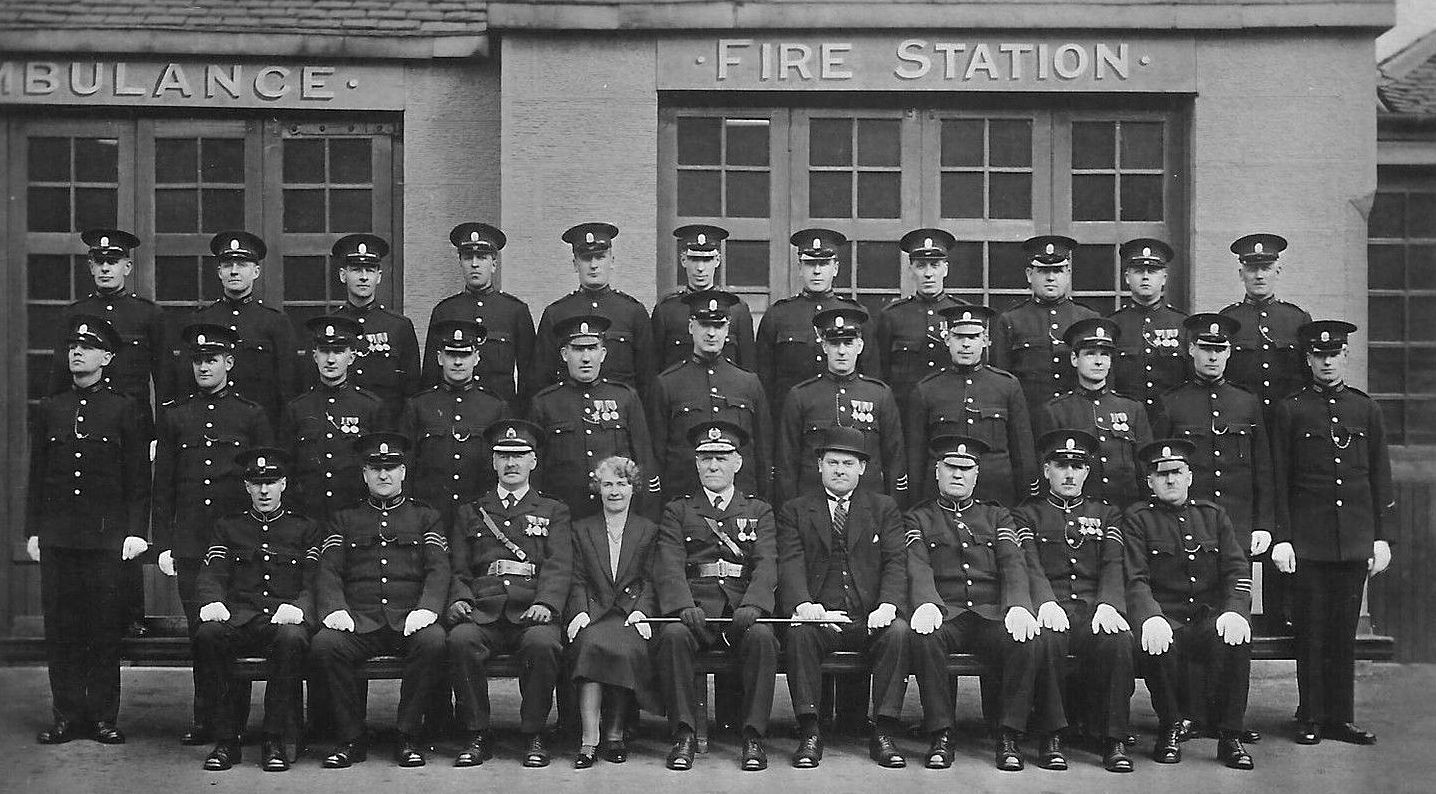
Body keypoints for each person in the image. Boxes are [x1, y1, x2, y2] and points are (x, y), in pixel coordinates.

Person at [26, 316, 150, 746]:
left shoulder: (124, 409)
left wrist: (135, 531)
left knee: (101, 629)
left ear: (107, 357)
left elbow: (137, 479)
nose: (77, 353)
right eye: (72, 347)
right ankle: (65, 715)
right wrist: (33, 531)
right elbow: (37, 476)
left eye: (88, 347)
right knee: (61, 628)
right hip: (59, 537)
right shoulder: (51, 408)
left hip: (105, 539)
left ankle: (101, 717)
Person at [1271, 320, 1394, 746]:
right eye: (1318, 356)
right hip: (1308, 541)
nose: (1326, 362)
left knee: (1343, 634)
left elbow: (1379, 475)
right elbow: (1279, 479)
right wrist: (1283, 537)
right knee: (1311, 631)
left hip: (1354, 540)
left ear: (1345, 357)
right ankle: (1309, 715)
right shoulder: (1290, 409)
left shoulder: (1365, 409)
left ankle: (1340, 718)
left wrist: (1381, 537)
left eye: (1333, 355)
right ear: (1307, 359)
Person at [152, 323, 273, 745]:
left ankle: (234, 721)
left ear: (229, 363)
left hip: (236, 545)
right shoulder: (174, 414)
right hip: (190, 542)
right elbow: (163, 483)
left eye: (212, 360)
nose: (204, 367)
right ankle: (207, 718)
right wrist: (163, 542)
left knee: (234, 629)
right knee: (200, 635)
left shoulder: (251, 414)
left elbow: (264, 479)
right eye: (198, 360)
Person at [52, 229, 172, 635]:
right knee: (91, 506)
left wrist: (159, 431)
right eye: (98, 261)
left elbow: (165, 377)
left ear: (127, 266)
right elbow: (58, 378)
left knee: (130, 512)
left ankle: (130, 615)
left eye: (113, 261)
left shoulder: (148, 314)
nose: (105, 267)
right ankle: (90, 614)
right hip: (88, 428)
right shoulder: (74, 313)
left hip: (133, 427)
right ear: (91, 266)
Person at [905, 435, 1050, 772]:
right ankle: (940, 732)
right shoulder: (918, 517)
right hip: (947, 611)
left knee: (1025, 639)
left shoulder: (997, 516)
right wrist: (926, 602)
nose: (958, 474)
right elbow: (917, 563)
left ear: (976, 475)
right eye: (951, 467)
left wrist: (1017, 605)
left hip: (989, 612)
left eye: (966, 468)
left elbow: (1013, 561)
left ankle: (1008, 734)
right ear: (937, 472)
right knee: (924, 639)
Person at [311, 432, 450, 769]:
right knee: (326, 644)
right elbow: (328, 570)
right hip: (361, 621)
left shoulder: (425, 517)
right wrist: (335, 609)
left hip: (409, 619)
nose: (384, 475)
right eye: (375, 469)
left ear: (403, 472)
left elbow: (438, 568)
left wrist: (428, 608)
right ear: (364, 474)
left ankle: (407, 735)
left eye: (391, 468)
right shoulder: (344, 519)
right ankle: (351, 738)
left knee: (434, 641)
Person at [777, 427, 910, 769]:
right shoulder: (795, 510)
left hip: (868, 616)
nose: (839, 470)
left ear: (862, 468)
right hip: (820, 615)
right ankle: (810, 730)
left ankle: (884, 731)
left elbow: (896, 560)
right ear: (819, 465)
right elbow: (790, 562)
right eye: (832, 462)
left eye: (848, 463)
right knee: (799, 631)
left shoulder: (884, 508)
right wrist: (805, 606)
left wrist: (888, 605)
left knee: (897, 633)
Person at [652, 420, 780, 772]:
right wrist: (682, 606)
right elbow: (669, 564)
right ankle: (683, 733)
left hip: (741, 609)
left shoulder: (758, 511)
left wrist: (753, 604)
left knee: (764, 639)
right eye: (706, 457)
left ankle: (753, 736)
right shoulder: (678, 511)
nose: (713, 465)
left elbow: (766, 564)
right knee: (673, 637)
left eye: (722, 457)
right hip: (695, 608)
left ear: (738, 462)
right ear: (695, 463)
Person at [446, 419, 573, 768]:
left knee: (543, 644)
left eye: (520, 455)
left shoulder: (553, 510)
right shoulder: (471, 511)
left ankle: (534, 733)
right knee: (461, 640)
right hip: (484, 608)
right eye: (503, 455)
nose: (511, 462)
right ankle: (477, 733)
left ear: (534, 461)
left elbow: (559, 564)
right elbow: (457, 568)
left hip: (532, 607)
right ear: (493, 462)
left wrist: (547, 603)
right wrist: (460, 599)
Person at [1124, 439, 1255, 770]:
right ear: (1150, 482)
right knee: (1158, 642)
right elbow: (1135, 578)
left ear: (1189, 476)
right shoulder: (1138, 519)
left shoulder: (1212, 515)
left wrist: (1236, 610)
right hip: (1165, 617)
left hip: (1207, 618)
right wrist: (1150, 616)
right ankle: (1169, 727)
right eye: (1161, 474)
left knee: (1235, 636)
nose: (1170, 480)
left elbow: (1237, 571)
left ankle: (1230, 735)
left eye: (1177, 472)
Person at [192, 447, 319, 772]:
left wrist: (300, 608)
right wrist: (212, 601)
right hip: (241, 618)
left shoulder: (304, 528)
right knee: (207, 634)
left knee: (292, 638)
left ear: (284, 485)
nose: (264, 491)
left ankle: (274, 739)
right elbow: (213, 572)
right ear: (246, 486)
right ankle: (226, 739)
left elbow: (315, 580)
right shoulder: (228, 527)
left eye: (272, 482)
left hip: (282, 619)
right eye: (256, 483)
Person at [1014, 430, 1134, 773]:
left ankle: (1113, 738)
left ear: (1087, 472)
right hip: (1052, 606)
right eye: (1061, 465)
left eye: (1077, 466)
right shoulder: (1028, 514)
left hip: (1093, 607)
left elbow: (1113, 562)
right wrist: (1044, 603)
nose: (1069, 474)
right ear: (1046, 469)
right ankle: (1051, 735)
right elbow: (1030, 565)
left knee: (1119, 640)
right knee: (1047, 639)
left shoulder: (1107, 514)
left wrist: (1109, 603)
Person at [565, 456, 661, 769]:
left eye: (622, 484)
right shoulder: (582, 529)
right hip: (594, 612)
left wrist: (642, 611)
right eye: (608, 484)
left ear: (634, 488)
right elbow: (576, 577)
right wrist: (578, 611)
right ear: (598, 489)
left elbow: (651, 578)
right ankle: (589, 739)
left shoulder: (648, 530)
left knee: (624, 647)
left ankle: (615, 735)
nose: (615, 491)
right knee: (590, 645)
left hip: (629, 613)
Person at [529, 314, 660, 518]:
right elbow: (535, 470)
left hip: (616, 515)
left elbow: (644, 460)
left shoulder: (625, 397)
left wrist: (644, 516)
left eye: (592, 348)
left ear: (603, 353)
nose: (586, 358)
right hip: (564, 516)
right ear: (564, 354)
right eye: (578, 349)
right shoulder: (545, 403)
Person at [649, 290, 772, 502]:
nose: (711, 333)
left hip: (741, 503)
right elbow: (657, 455)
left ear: (728, 330)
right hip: (684, 503)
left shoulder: (748, 383)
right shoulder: (667, 384)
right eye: (704, 325)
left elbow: (763, 452)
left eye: (718, 326)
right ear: (691, 327)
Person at [776, 306, 905, 506]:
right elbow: (787, 463)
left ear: (860, 346)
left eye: (848, 342)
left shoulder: (880, 394)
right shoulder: (801, 396)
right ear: (824, 347)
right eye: (835, 344)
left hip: (869, 505)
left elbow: (894, 459)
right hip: (812, 506)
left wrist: (893, 509)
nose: (842, 351)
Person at [906, 304, 1034, 505]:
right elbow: (915, 459)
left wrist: (1025, 505)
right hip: (941, 503)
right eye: (959, 337)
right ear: (947, 339)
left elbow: (1023, 455)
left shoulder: (1007, 386)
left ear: (985, 341)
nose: (966, 344)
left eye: (973, 337)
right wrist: (915, 506)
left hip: (997, 498)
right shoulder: (926, 390)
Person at [1035, 318, 1153, 509]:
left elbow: (1145, 469)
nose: (1098, 362)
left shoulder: (1132, 409)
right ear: (1075, 359)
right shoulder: (1055, 411)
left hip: (1126, 511)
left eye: (1105, 355)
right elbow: (1046, 472)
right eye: (1090, 354)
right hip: (1078, 513)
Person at [529, 222, 655, 401]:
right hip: (568, 412)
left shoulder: (633, 312)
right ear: (575, 264)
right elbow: (540, 381)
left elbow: (647, 380)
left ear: (611, 261)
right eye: (586, 258)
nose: (594, 265)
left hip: (619, 416)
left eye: (600, 257)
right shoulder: (556, 314)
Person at [756, 228, 872, 420]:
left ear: (835, 268)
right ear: (800, 267)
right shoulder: (778, 315)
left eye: (824, 263)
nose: (817, 271)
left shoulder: (856, 315)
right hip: (790, 420)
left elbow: (870, 378)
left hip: (843, 420)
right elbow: (764, 382)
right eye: (810, 264)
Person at [399, 319, 509, 519]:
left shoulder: (495, 407)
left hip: (479, 515)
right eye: (451, 355)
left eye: (465, 355)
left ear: (476, 358)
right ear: (440, 358)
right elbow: (406, 467)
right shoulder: (418, 405)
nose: (458, 362)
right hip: (429, 513)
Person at [281, 316, 387, 521]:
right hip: (308, 514)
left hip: (356, 515)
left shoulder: (371, 407)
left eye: (338, 352)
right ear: (314, 356)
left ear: (352, 357)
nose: (330, 360)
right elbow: (288, 469)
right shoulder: (297, 408)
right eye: (324, 351)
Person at [421, 223, 535, 409]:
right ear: (460, 262)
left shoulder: (515, 311)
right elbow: (430, 375)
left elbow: (529, 377)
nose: (474, 264)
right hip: (453, 411)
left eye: (482, 257)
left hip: (501, 415)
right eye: (468, 257)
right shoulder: (444, 311)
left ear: (494, 264)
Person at [193, 231, 297, 424]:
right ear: (219, 272)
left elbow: (287, 387)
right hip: (211, 424)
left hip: (261, 426)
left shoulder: (275, 322)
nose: (234, 271)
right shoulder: (201, 320)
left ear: (256, 272)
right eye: (227, 265)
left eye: (242, 265)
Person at [990, 235, 1099, 419]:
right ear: (1029, 275)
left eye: (1057, 271)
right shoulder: (1010, 321)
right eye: (1042, 271)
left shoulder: (1087, 319)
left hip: (1079, 419)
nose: (1050, 278)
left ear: (1068, 274)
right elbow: (1000, 384)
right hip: (1029, 419)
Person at [874, 228, 970, 419]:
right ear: (911, 270)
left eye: (934, 265)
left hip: (952, 414)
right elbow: (881, 376)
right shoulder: (892, 316)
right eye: (921, 266)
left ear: (945, 269)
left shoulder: (962, 313)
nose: (928, 274)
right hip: (905, 414)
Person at [1218, 233, 1312, 421]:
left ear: (1278, 271)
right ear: (1241, 274)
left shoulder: (1297, 319)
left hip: (1288, 420)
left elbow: (1309, 375)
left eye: (1266, 268)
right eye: (1252, 269)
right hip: (1242, 419)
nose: (1259, 276)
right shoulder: (1228, 319)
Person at [329, 234, 420, 425]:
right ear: (343, 275)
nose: (363, 277)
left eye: (369, 270)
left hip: (387, 428)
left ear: (379, 277)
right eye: (356, 270)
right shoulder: (330, 325)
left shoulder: (399, 326)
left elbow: (411, 391)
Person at [651, 224, 756, 370]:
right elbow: (654, 370)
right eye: (694, 259)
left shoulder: (737, 310)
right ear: (683, 260)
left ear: (717, 260)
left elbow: (748, 367)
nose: (700, 268)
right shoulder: (666, 311)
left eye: (707, 260)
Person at [1107, 239, 1189, 413]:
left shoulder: (1183, 325)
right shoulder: (1113, 325)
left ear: (1164, 278)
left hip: (1171, 421)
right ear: (1127, 278)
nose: (1145, 276)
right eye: (1138, 271)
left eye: (1152, 271)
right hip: (1126, 419)